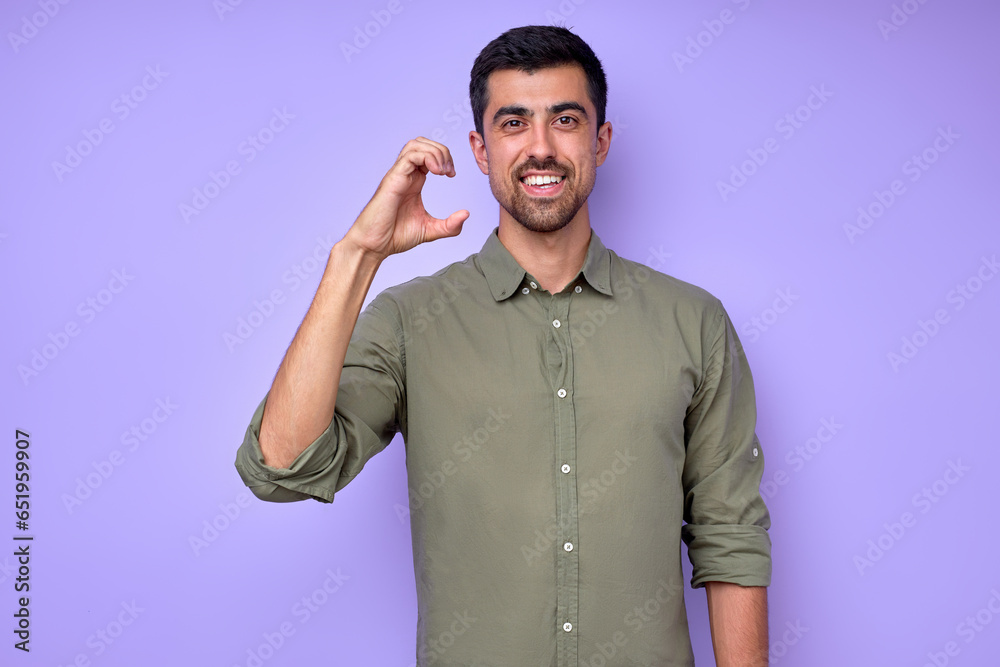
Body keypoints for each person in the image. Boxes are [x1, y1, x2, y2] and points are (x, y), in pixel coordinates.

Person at [235, 24, 772, 667]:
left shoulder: (695, 321)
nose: (540, 148)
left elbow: (730, 536)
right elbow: (284, 467)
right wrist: (358, 255)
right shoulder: (410, 321)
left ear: (601, 141)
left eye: (565, 120)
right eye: (513, 123)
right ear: (480, 148)